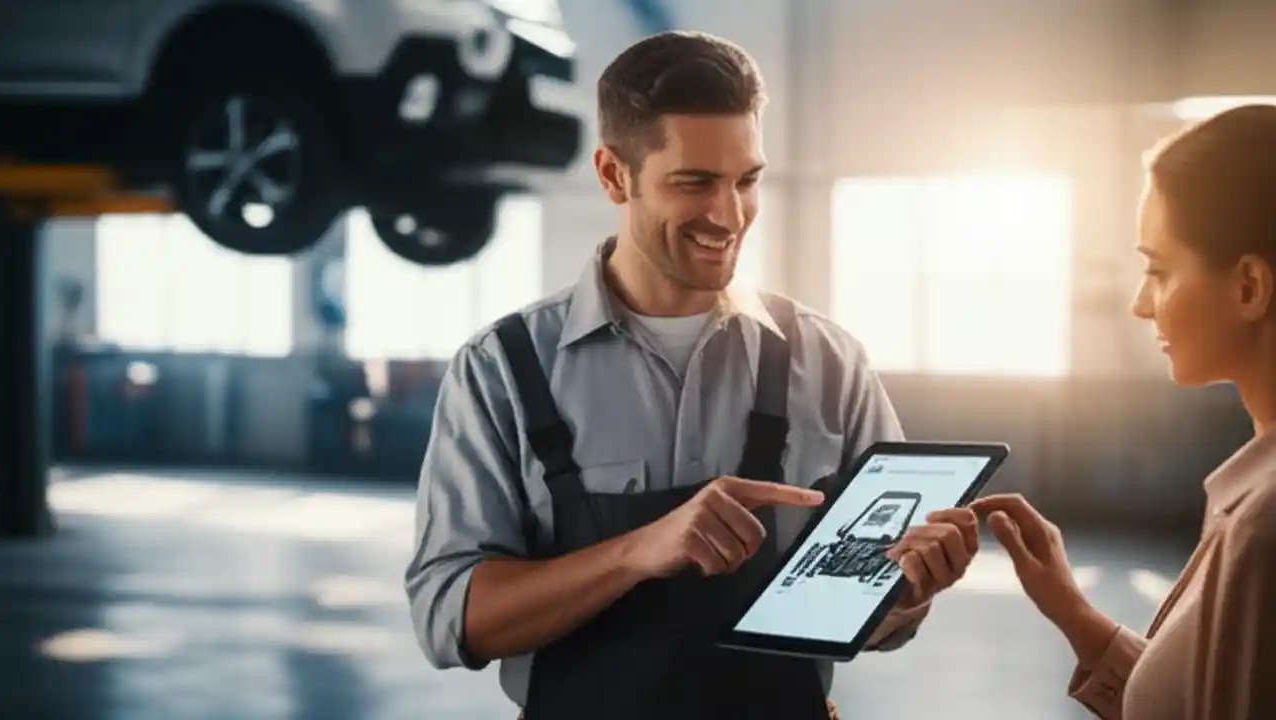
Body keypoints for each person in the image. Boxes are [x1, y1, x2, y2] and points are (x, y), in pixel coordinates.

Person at [405, 31, 979, 720]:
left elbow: (875, 619)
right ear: (614, 175)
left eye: (747, 180)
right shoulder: (501, 370)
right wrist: (640, 551)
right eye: (696, 182)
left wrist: (909, 596)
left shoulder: (830, 364)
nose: (730, 215)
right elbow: (450, 619)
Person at [973, 104, 1276, 720]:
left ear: (1249, 287)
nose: (1141, 304)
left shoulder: (1264, 531)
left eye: (1159, 271)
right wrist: (1073, 612)